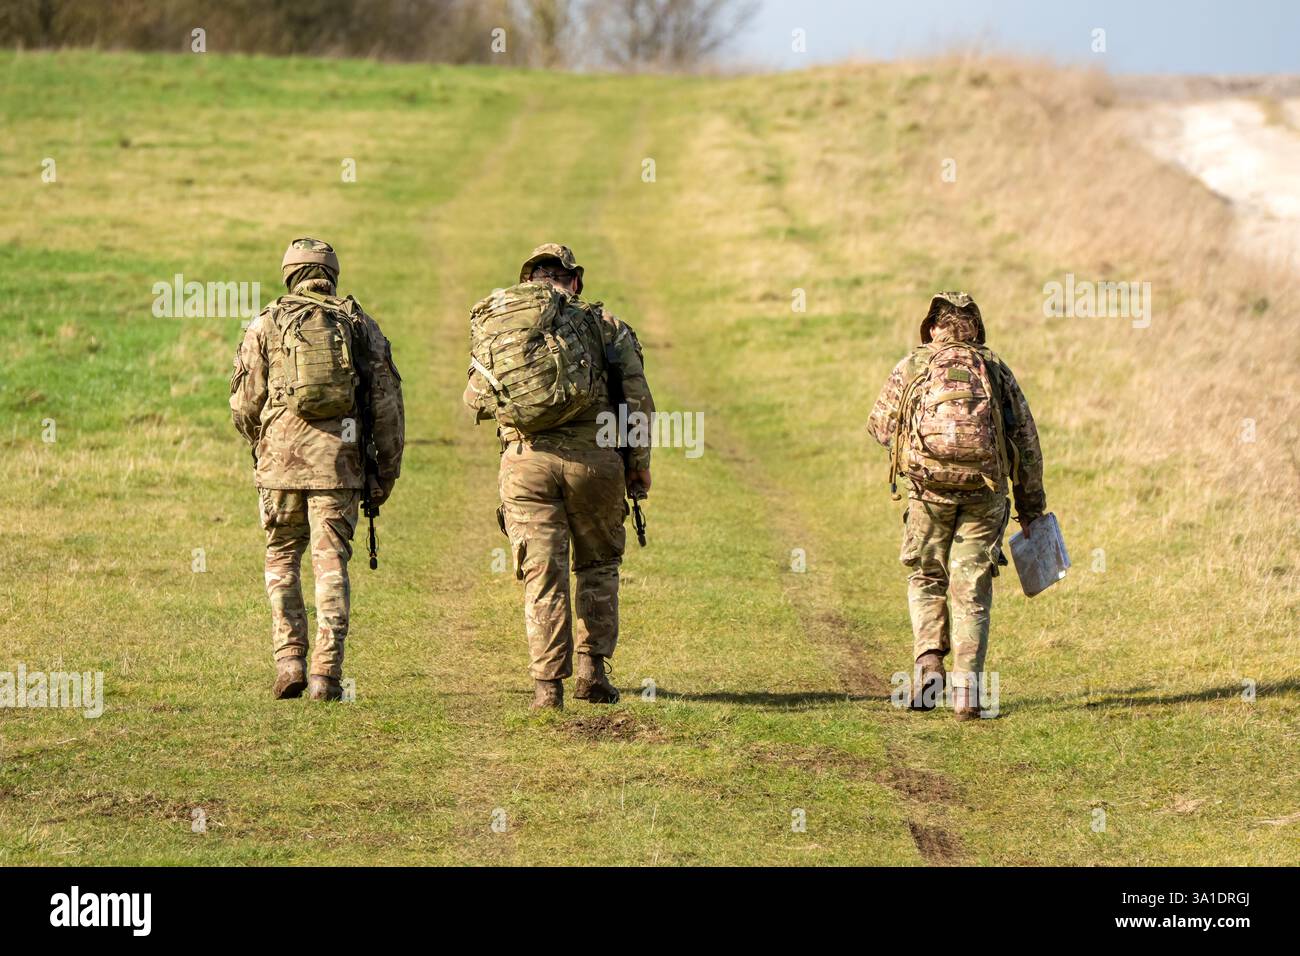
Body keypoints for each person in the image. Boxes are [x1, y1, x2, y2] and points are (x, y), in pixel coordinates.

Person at [465, 244, 654, 710]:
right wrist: (638, 465)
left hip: (526, 463)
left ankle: (547, 688)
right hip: (597, 460)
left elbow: (473, 399)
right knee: (598, 565)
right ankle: (592, 671)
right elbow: (637, 401)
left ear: (529, 281)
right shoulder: (607, 326)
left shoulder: (504, 326)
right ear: (574, 281)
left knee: (541, 573)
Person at [230, 238, 404, 701]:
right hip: (338, 466)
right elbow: (386, 404)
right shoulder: (358, 323)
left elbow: (246, 402)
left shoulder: (266, 323)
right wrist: (385, 470)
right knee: (331, 565)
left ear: (289, 274)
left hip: (279, 468)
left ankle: (289, 661)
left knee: (282, 558)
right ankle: (326, 674)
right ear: (333, 273)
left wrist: (263, 444)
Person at [868, 292, 1045, 720]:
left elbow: (878, 425)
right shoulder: (995, 368)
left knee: (927, 575)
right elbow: (1026, 442)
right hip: (985, 494)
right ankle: (967, 693)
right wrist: (1032, 507)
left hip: (929, 494)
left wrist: (919, 451)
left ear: (932, 328)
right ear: (976, 329)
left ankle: (929, 666)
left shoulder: (914, 365)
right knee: (972, 589)